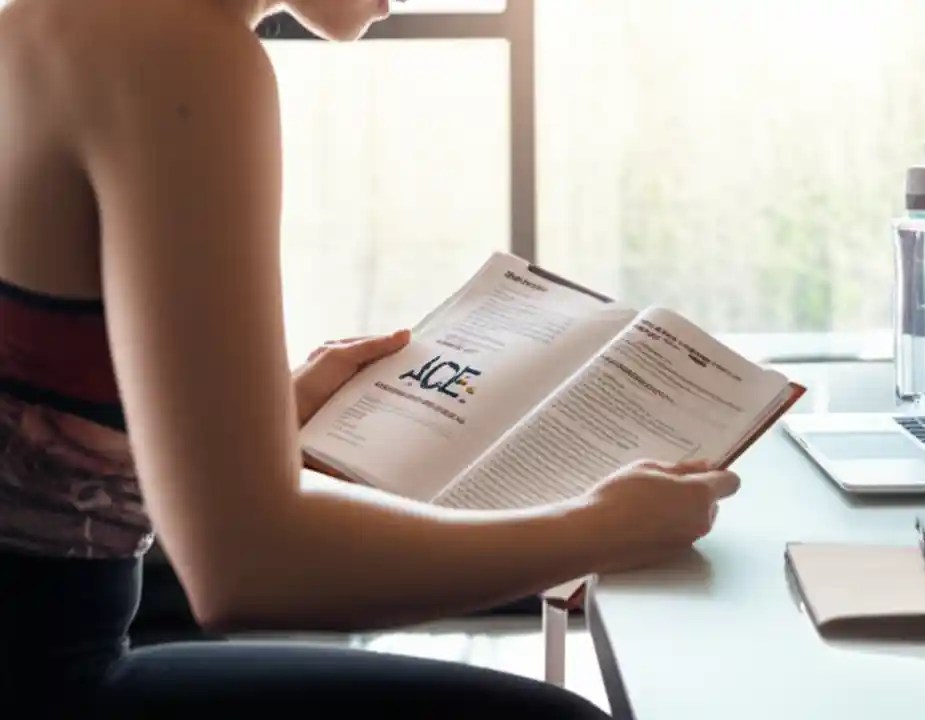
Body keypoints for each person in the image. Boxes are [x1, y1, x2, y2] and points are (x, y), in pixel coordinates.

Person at [0, 0, 741, 716]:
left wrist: (254, 426)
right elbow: (244, 565)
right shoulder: (178, 51)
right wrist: (602, 528)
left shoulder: (49, 21)